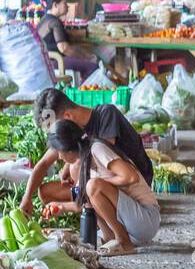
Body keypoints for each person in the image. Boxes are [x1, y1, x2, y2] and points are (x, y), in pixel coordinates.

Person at [22, 87, 153, 219]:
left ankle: (93, 212)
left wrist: (69, 165)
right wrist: (26, 198)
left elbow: (99, 163)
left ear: (67, 117)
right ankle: (85, 209)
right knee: (45, 192)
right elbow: (43, 164)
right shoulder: (69, 133)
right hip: (95, 185)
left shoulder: (106, 114)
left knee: (76, 166)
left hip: (128, 185)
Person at [41, 120, 161, 256]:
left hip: (145, 218)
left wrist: (98, 183)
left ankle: (124, 242)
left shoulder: (97, 148)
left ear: (67, 149)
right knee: (91, 188)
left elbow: (131, 177)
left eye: (58, 152)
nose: (59, 157)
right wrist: (59, 206)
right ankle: (110, 238)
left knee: (93, 186)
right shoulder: (79, 167)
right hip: (131, 225)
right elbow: (80, 203)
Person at [36, 0, 99, 81]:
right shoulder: (54, 22)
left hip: (47, 60)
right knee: (92, 67)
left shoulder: (44, 19)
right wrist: (86, 57)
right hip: (55, 61)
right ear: (55, 5)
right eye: (65, 3)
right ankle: (81, 93)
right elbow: (64, 48)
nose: (67, 6)